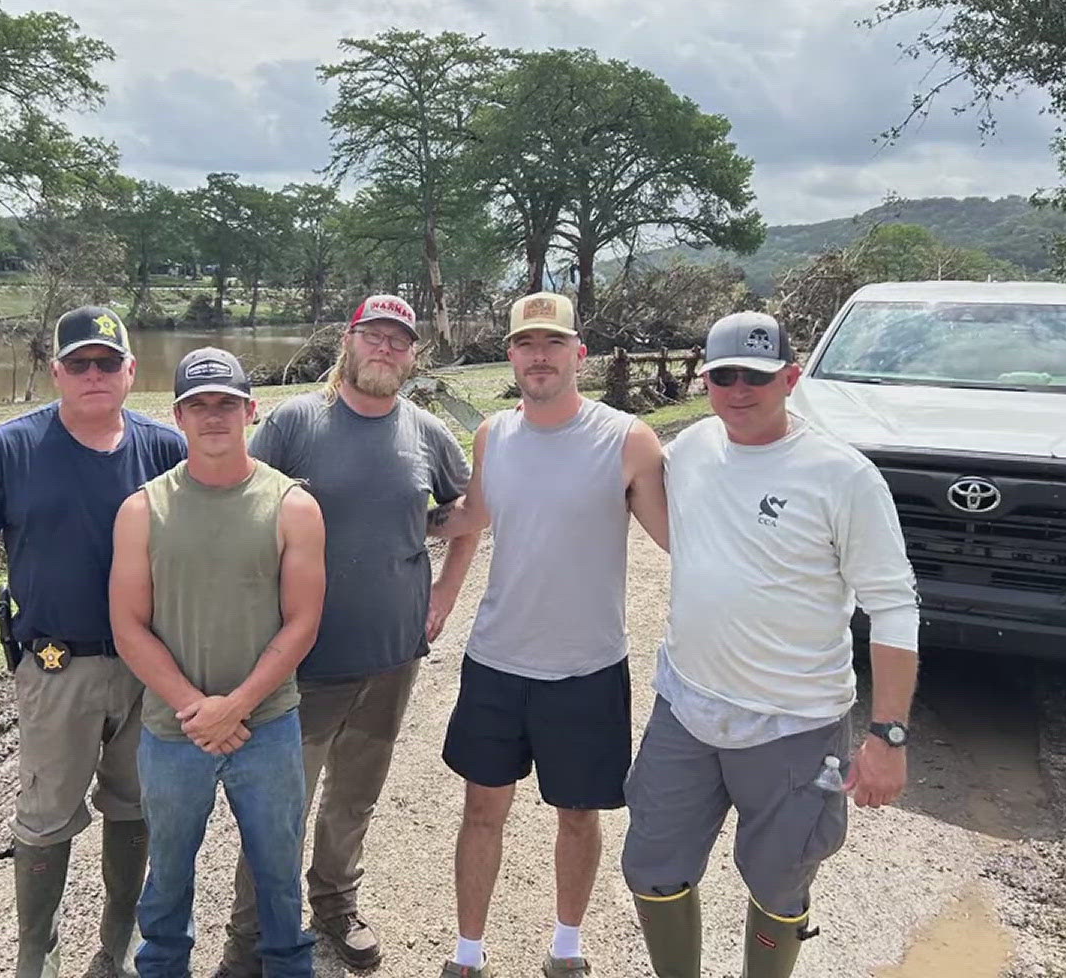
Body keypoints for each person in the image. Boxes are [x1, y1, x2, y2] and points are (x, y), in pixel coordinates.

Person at [621, 311, 920, 978]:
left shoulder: (842, 477)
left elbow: (895, 608)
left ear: (790, 376)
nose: (739, 389)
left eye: (756, 376)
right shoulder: (694, 447)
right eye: (723, 375)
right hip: (687, 710)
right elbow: (653, 503)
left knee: (779, 878)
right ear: (705, 380)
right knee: (650, 864)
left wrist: (888, 737)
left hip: (797, 723)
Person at [217, 294, 480, 976]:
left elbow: (467, 513)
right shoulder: (297, 423)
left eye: (400, 341)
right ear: (348, 340)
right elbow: (243, 517)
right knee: (280, 806)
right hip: (303, 662)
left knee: (354, 795)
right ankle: (249, 936)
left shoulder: (426, 433)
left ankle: (334, 904)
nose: (386, 350)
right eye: (374, 337)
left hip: (392, 657)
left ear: (414, 355)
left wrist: (445, 594)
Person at [428, 291, 669, 978]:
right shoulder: (493, 436)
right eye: (526, 344)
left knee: (577, 814)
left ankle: (567, 947)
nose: (539, 356)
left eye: (553, 343)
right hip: (497, 661)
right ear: (510, 354)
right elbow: (472, 514)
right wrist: (392, 521)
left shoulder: (627, 439)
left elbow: (676, 536)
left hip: (587, 667)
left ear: (577, 354)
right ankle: (466, 954)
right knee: (481, 811)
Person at [0, 306, 186, 978]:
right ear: (55, 372)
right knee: (46, 816)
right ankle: (36, 958)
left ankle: (115, 948)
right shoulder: (8, 450)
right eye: (79, 363)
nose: (94, 374)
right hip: (55, 667)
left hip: (149, 669)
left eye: (108, 362)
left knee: (135, 805)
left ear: (132, 371)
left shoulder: (166, 450)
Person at [109, 347, 328, 978]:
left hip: (268, 728)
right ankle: (164, 967)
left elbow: (302, 622)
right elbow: (129, 626)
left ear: (251, 411)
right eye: (198, 405)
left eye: (226, 404)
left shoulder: (292, 506)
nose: (213, 418)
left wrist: (235, 705)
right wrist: (195, 706)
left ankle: (287, 966)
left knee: (279, 874)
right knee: (169, 874)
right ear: (177, 416)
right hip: (173, 733)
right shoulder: (142, 511)